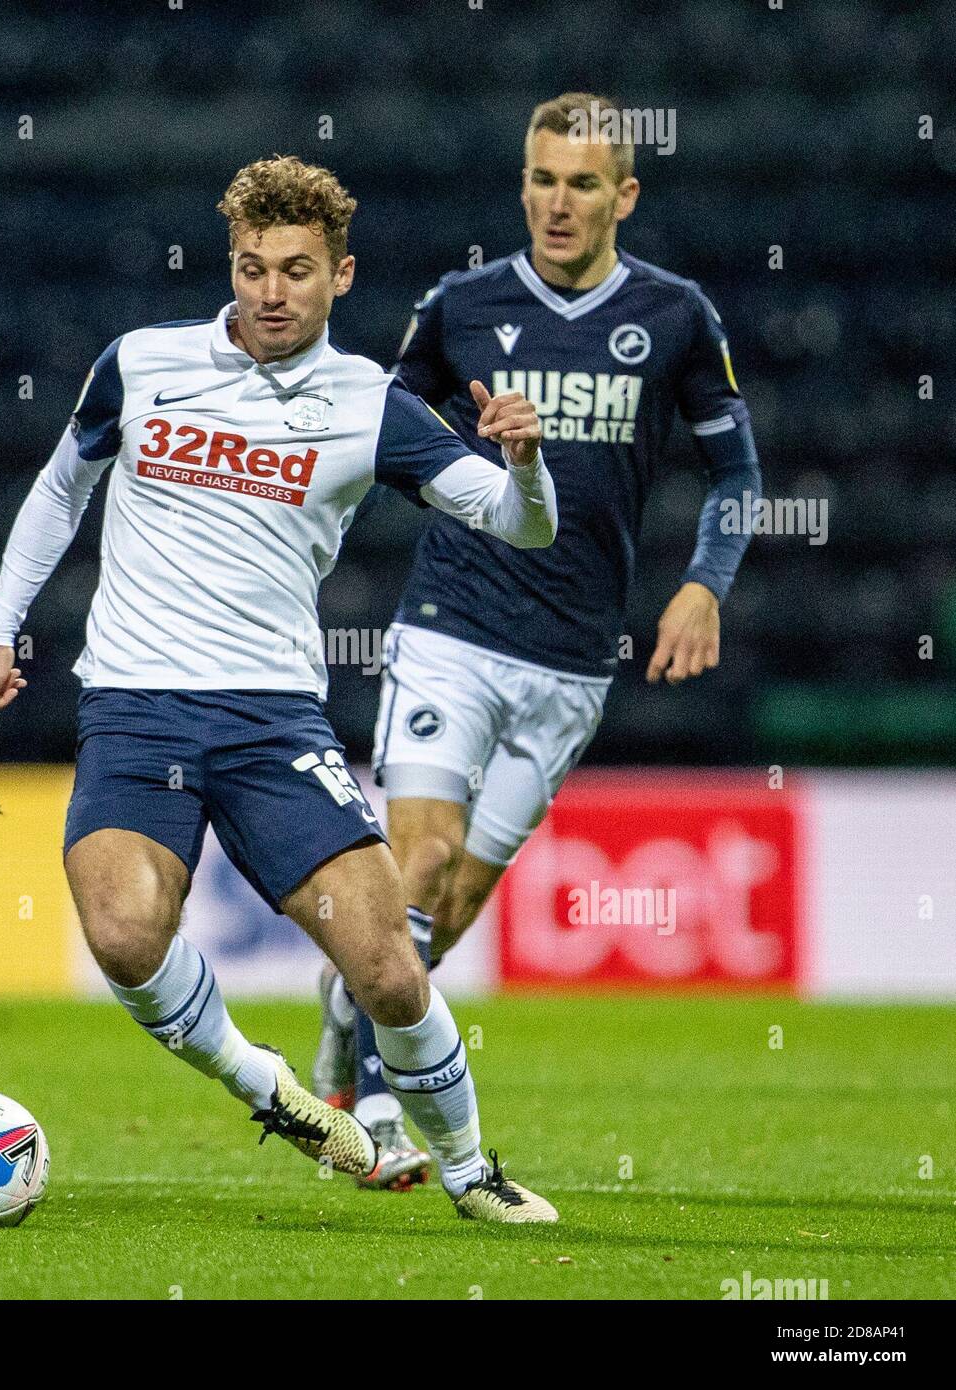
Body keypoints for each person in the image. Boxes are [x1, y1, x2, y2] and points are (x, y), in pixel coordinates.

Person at [0, 155, 563, 1221]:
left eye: (295, 270)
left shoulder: (371, 405)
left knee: (385, 968)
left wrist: (524, 464)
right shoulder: (142, 364)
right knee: (122, 932)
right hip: (137, 707)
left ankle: (473, 1168)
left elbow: (522, 525)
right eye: (251, 268)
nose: (271, 292)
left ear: (342, 275)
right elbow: (64, 487)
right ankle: (271, 1088)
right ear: (230, 268)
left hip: (270, 721)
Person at [316, 94, 762, 1188]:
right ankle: (374, 1112)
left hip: (573, 661)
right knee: (413, 862)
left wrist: (704, 584)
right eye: (541, 179)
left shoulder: (675, 317)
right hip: (450, 630)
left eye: (582, 183)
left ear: (625, 195)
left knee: (449, 911)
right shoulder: (461, 306)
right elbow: (373, 426)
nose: (557, 203)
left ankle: (343, 1031)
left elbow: (738, 476)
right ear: (522, 183)